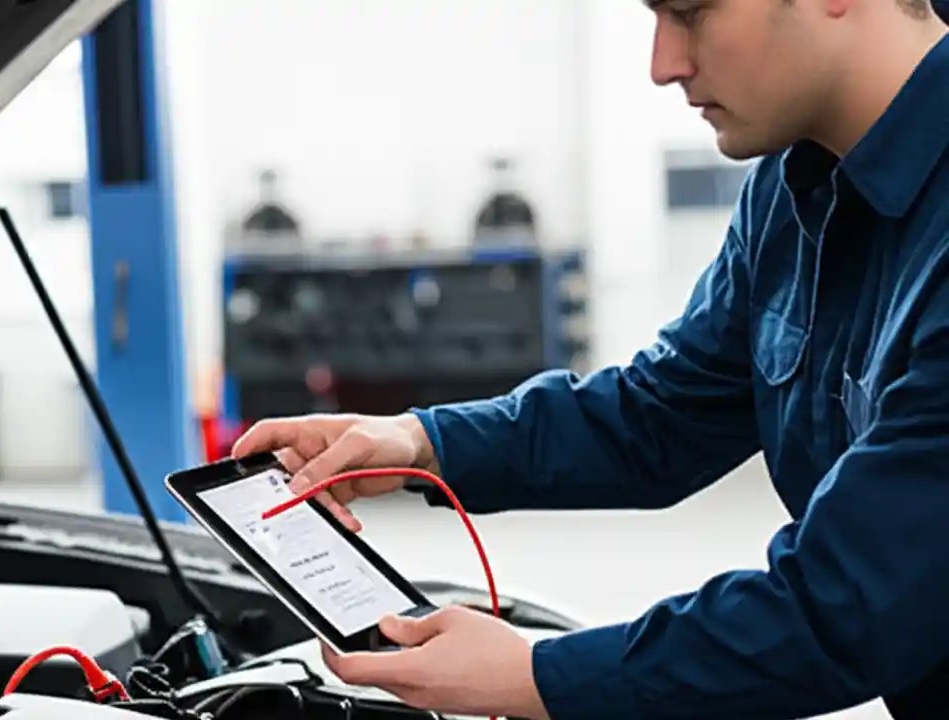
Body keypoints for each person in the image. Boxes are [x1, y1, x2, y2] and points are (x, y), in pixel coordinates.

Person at [230, 1, 949, 718]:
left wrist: (537, 676)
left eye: (690, 13)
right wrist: (418, 442)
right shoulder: (796, 186)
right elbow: (661, 412)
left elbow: (852, 604)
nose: (663, 64)